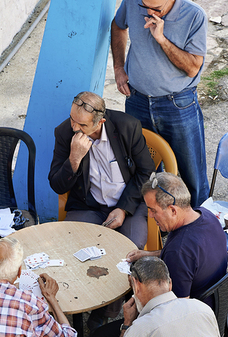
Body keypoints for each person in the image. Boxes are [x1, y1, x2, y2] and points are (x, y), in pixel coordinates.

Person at [91, 172, 226, 337]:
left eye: (153, 211)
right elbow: (187, 255)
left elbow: (174, 317)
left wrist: (131, 318)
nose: (151, 216)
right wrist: (148, 254)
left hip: (190, 330)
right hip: (213, 307)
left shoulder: (179, 252)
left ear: (172, 210)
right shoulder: (205, 216)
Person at [111, 0, 210, 206]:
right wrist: (118, 67)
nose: (149, 13)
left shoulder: (194, 16)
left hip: (177, 105)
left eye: (156, 8)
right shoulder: (132, 1)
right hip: (137, 101)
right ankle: (153, 226)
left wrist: (162, 39)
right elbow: (117, 27)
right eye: (145, 7)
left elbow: (193, 68)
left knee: (191, 174)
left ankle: (200, 228)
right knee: (141, 171)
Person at [48, 91, 154, 249]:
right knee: (72, 245)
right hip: (88, 205)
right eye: (72, 119)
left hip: (129, 201)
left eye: (83, 125)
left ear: (100, 122)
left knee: (131, 246)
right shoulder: (64, 133)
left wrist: (124, 208)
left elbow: (147, 172)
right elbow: (57, 185)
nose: (75, 128)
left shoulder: (127, 127)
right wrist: (74, 159)